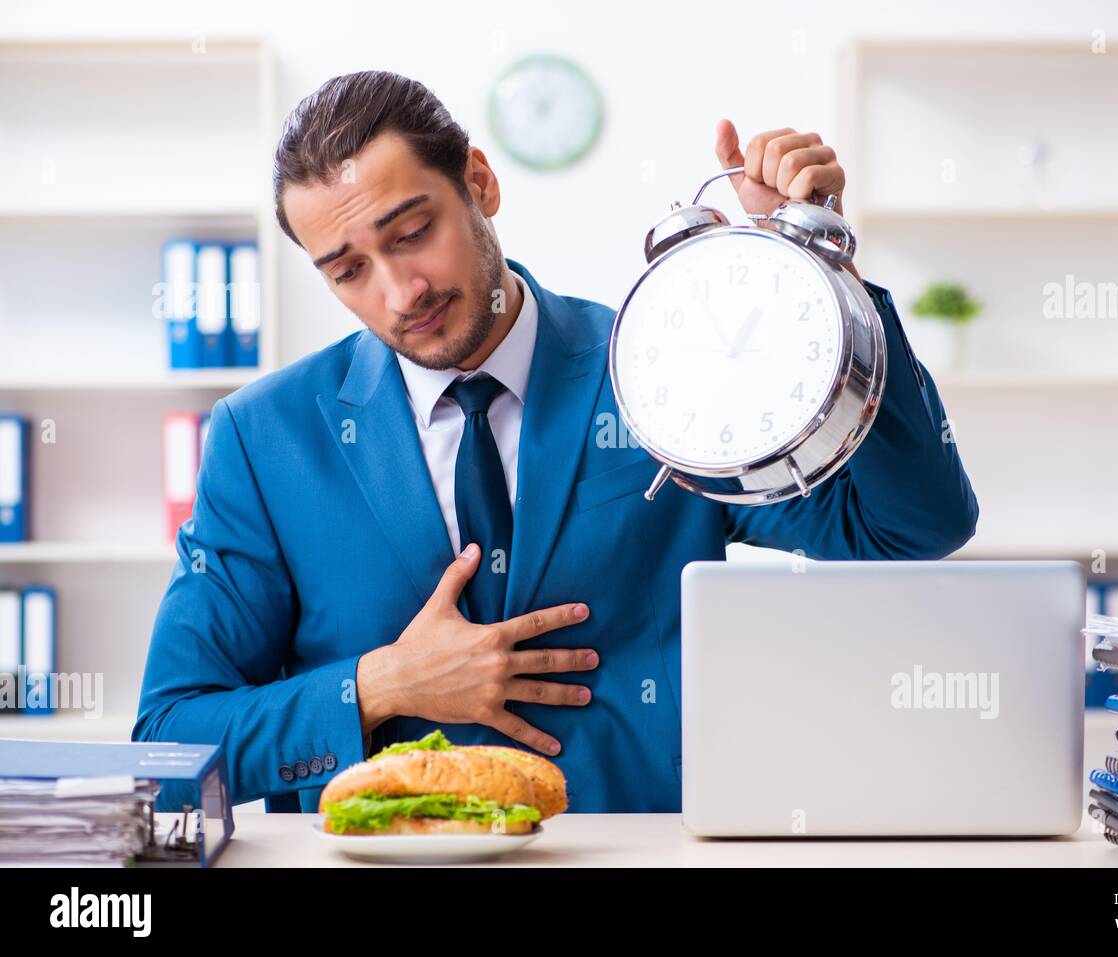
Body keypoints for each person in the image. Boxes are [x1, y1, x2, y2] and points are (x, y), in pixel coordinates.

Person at [134, 71, 979, 813]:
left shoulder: (661, 370)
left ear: (479, 181)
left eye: (411, 231)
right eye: (348, 269)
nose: (401, 291)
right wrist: (382, 684)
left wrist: (820, 264)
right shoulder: (264, 438)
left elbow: (910, 528)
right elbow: (167, 742)